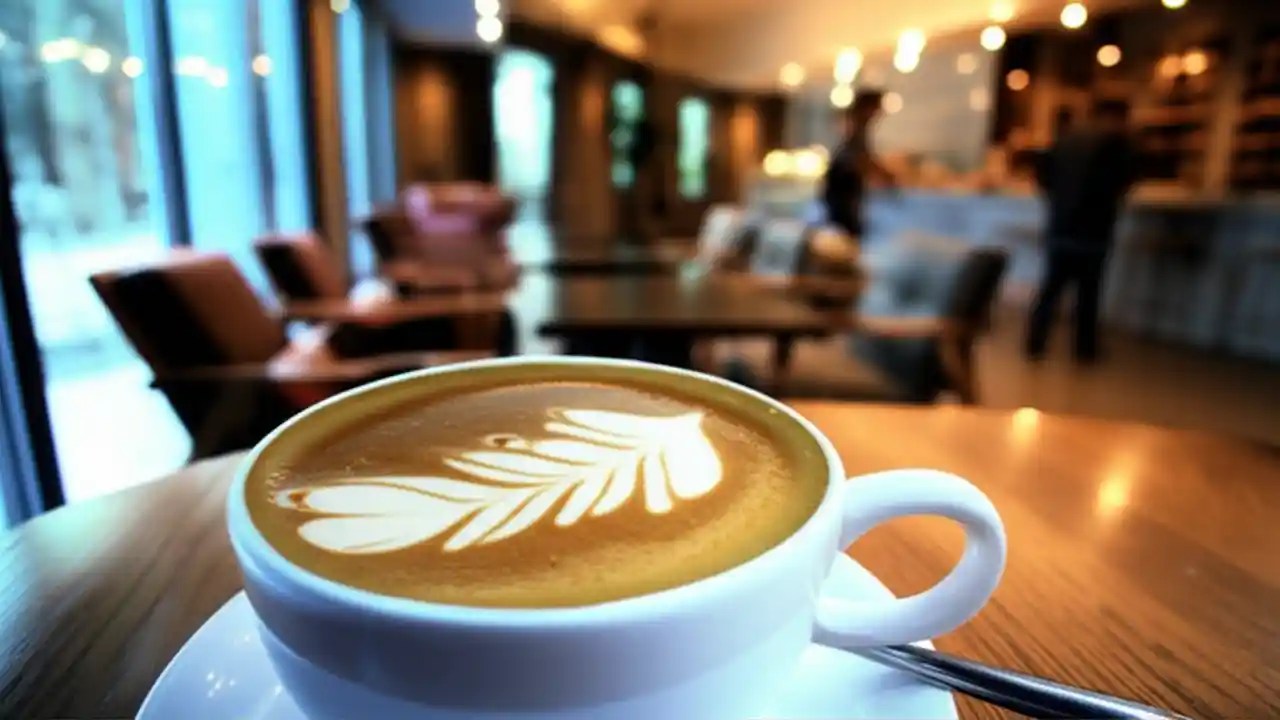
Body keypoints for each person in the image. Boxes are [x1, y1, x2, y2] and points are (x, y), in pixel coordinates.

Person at [1025, 99, 1136, 363]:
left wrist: (1059, 202)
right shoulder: (1116, 144)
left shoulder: (1065, 139)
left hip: (1060, 225)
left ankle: (1035, 343)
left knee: (1051, 288)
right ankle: (1084, 349)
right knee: (1088, 292)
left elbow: (1043, 177)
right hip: (1093, 230)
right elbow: (1124, 182)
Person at [822, 89, 895, 240]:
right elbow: (858, 157)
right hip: (843, 188)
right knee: (846, 233)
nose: (879, 113)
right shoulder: (856, 124)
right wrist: (884, 175)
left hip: (841, 187)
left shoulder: (856, 123)